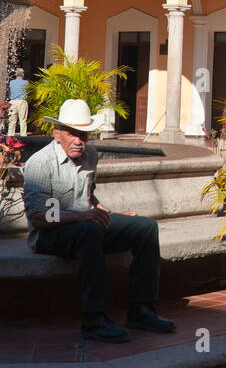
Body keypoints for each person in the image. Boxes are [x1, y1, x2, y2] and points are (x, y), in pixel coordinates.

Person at [21, 99, 175, 343]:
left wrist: (110, 214)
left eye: (83, 133)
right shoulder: (41, 163)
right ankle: (95, 319)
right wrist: (83, 217)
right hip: (51, 234)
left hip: (85, 225)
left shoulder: (89, 155)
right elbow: (41, 217)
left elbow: (88, 196)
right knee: (89, 231)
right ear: (57, 133)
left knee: (145, 227)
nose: (78, 140)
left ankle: (141, 310)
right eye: (72, 133)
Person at [7, 67, 30, 135]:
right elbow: (27, 91)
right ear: (23, 75)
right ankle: (23, 135)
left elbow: (9, 92)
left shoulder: (11, 82)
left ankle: (10, 135)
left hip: (13, 102)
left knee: (12, 121)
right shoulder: (26, 82)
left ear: (16, 75)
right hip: (22, 102)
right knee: (22, 120)